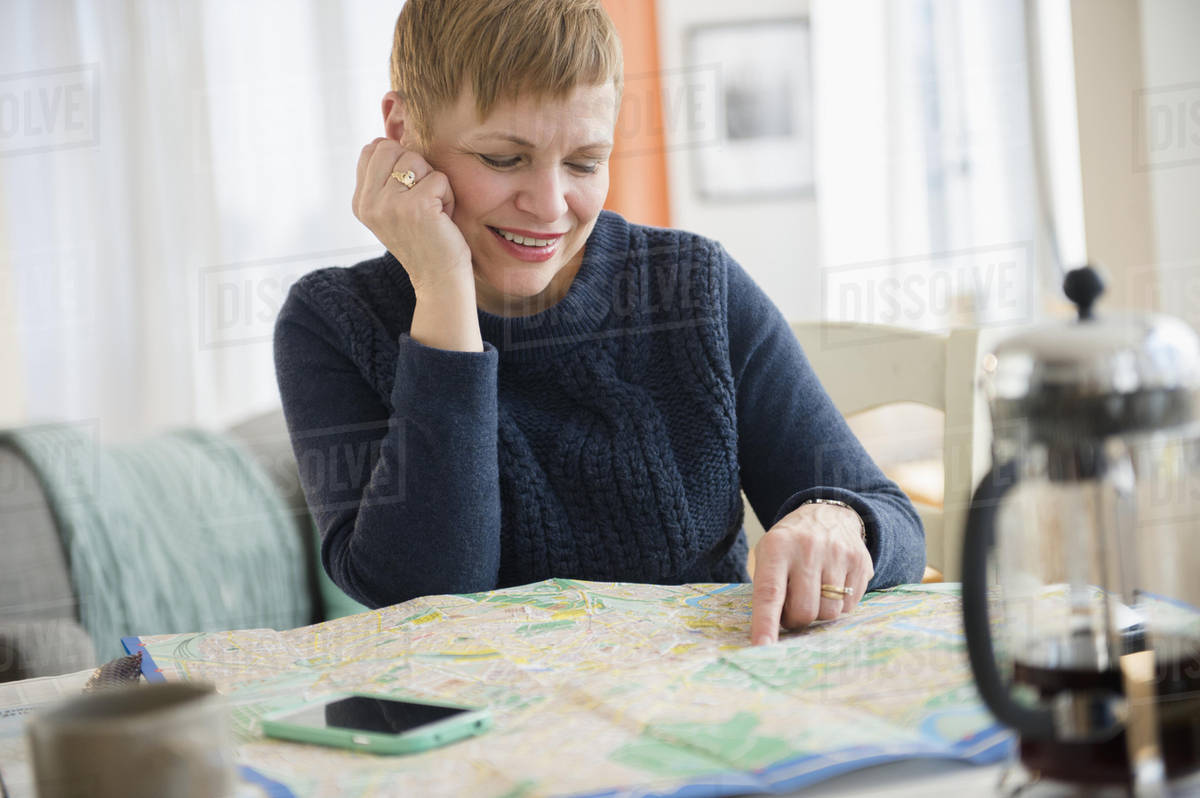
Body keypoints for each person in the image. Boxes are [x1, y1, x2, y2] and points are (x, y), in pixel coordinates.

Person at [273, 0, 925, 647]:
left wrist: (839, 522)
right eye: (504, 159)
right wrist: (442, 290)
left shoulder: (693, 286)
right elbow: (430, 604)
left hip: (700, 714)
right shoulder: (331, 324)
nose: (550, 205)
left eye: (584, 162)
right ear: (403, 127)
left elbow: (892, 520)